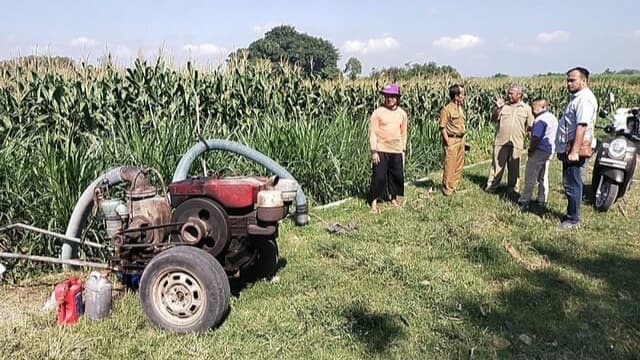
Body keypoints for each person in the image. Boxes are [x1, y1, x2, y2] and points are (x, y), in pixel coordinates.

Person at [555, 67, 598, 230]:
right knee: (570, 181)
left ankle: (572, 219)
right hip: (570, 146)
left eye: (572, 80)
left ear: (584, 80)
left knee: (572, 183)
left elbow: (582, 126)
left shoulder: (584, 99)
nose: (569, 83)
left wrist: (574, 151)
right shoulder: (576, 98)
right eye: (568, 80)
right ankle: (571, 214)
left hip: (576, 148)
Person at [485, 83, 534, 193]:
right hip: (500, 141)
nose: (509, 95)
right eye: (508, 93)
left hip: (516, 143)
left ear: (519, 95)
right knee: (496, 166)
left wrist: (532, 143)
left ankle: (512, 188)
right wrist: (498, 108)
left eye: (511, 93)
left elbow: (530, 127)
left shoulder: (526, 109)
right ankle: (492, 186)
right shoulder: (503, 106)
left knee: (514, 168)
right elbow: (493, 119)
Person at [368, 83, 408, 213]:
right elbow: (373, 132)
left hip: (396, 149)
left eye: (392, 96)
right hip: (381, 149)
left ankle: (393, 198)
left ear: (397, 98)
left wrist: (403, 150)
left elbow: (403, 133)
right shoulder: (378, 113)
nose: (389, 99)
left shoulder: (402, 114)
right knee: (378, 176)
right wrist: (374, 151)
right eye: (387, 96)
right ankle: (374, 201)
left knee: (396, 175)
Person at [517, 98, 558, 209]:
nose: (532, 109)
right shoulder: (553, 118)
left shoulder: (540, 119)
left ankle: (524, 200)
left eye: (534, 107)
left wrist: (531, 149)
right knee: (543, 176)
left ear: (543, 107)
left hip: (539, 150)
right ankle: (542, 199)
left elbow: (535, 137)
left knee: (530, 176)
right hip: (549, 150)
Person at [439, 84, 466, 196]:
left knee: (458, 165)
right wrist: (448, 141)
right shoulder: (446, 109)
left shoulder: (460, 108)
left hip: (461, 140)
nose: (464, 96)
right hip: (452, 140)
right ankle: (447, 188)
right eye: (462, 94)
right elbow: (442, 127)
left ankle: (453, 186)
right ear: (456, 96)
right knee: (450, 165)